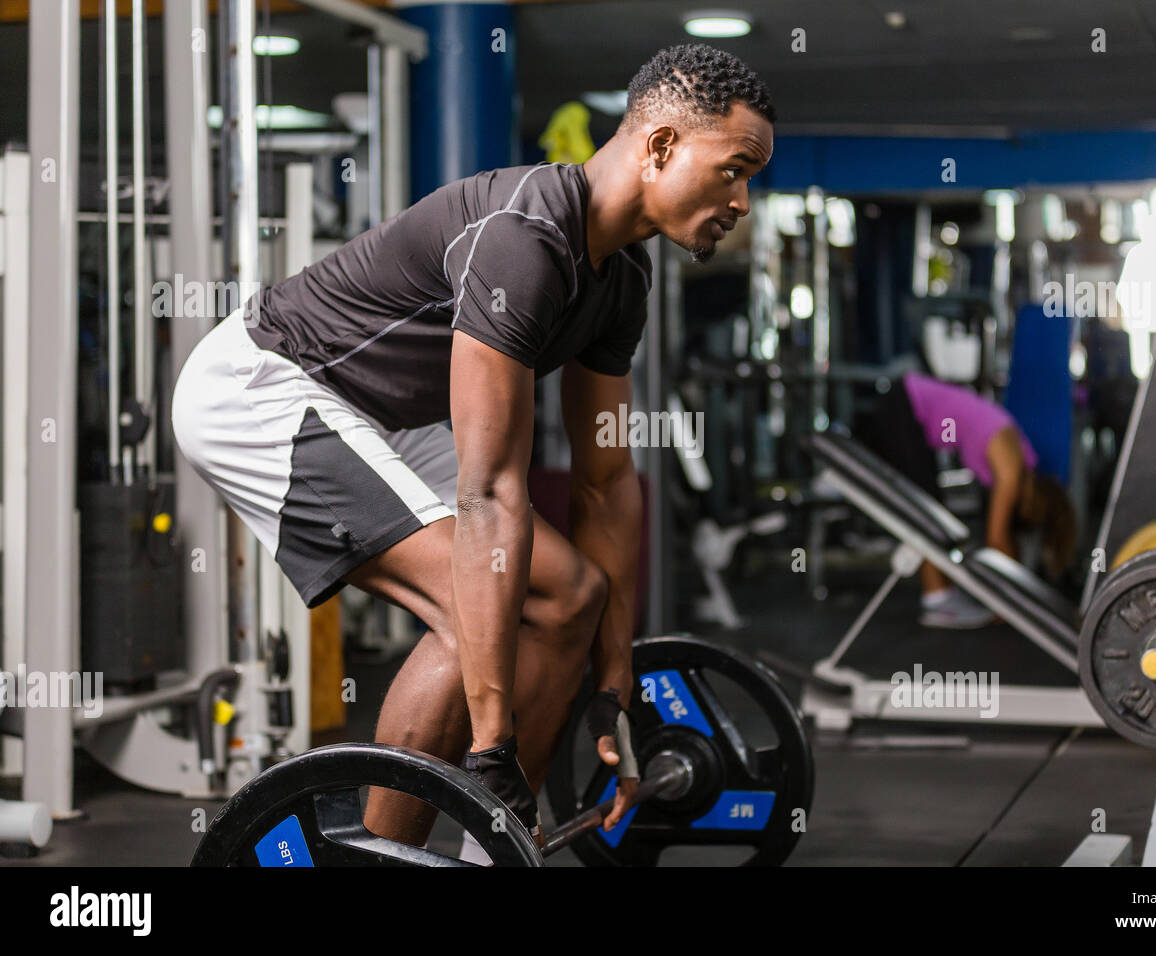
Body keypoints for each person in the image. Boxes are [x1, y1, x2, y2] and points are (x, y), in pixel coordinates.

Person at [170, 43, 775, 856]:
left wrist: (613, 680)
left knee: (568, 595)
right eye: (734, 169)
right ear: (662, 145)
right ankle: (402, 858)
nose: (742, 200)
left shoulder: (624, 278)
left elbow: (605, 481)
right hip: (263, 389)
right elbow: (491, 493)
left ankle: (490, 848)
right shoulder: (523, 238)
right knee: (473, 605)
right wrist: (489, 751)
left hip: (383, 416)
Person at [859, 370, 1077, 629]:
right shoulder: (1011, 466)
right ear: (1038, 503)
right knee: (925, 506)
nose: (1023, 518)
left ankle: (940, 594)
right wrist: (1009, 605)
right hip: (906, 402)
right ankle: (937, 598)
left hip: (907, 404)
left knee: (927, 502)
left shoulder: (1019, 456)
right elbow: (997, 539)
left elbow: (1007, 538)